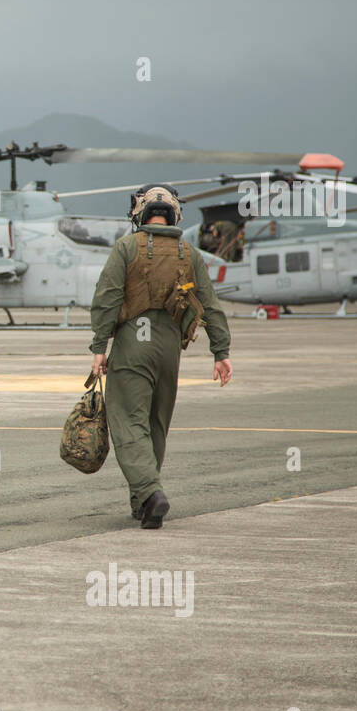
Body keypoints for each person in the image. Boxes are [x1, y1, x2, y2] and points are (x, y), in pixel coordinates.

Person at [89, 184, 233, 529]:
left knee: (127, 422)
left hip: (132, 345)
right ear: (174, 213)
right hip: (169, 347)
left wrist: (98, 347)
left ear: (139, 211)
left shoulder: (126, 248)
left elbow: (107, 298)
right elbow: (210, 305)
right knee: (156, 424)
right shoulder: (189, 253)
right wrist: (221, 351)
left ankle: (151, 493)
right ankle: (142, 502)